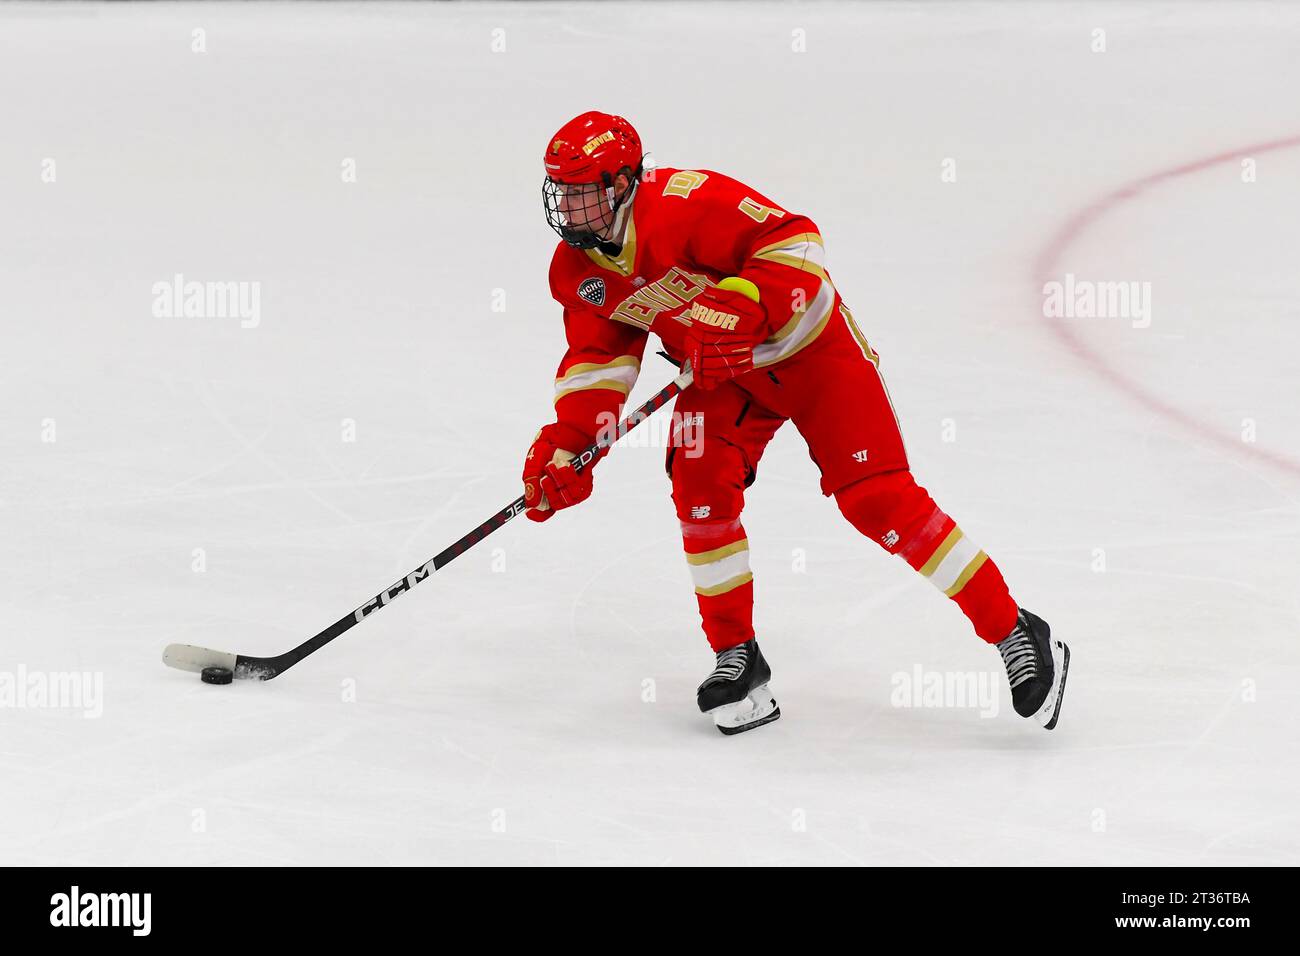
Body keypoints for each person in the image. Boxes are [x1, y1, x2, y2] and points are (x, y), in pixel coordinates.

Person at [523, 111, 1069, 735]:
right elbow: (598, 360)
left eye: (582, 193)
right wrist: (570, 447)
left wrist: (739, 310)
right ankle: (738, 657)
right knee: (698, 487)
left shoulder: (688, 204)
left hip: (812, 356)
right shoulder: (578, 271)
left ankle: (1015, 630)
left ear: (622, 184)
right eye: (560, 193)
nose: (567, 210)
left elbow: (796, 242)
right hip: (721, 378)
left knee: (879, 501)